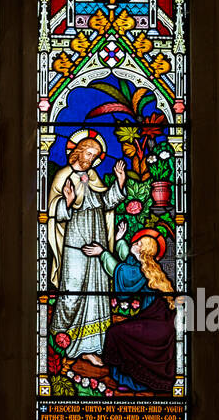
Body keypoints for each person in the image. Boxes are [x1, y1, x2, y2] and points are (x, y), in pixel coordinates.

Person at [47, 129, 126, 365]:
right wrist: (67, 203)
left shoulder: (92, 176)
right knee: (72, 291)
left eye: (95, 156)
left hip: (97, 240)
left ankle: (91, 347)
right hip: (74, 244)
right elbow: (53, 211)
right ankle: (62, 336)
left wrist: (119, 184)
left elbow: (104, 203)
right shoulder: (63, 175)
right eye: (88, 153)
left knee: (96, 293)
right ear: (78, 151)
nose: (90, 159)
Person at [82, 226, 177, 394]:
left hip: (156, 325)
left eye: (138, 243)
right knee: (119, 331)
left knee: (116, 332)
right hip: (155, 321)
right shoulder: (146, 267)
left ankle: (129, 380)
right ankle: (129, 380)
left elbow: (119, 271)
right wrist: (119, 240)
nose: (134, 243)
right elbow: (128, 257)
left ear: (144, 250)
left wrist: (102, 253)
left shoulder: (141, 272)